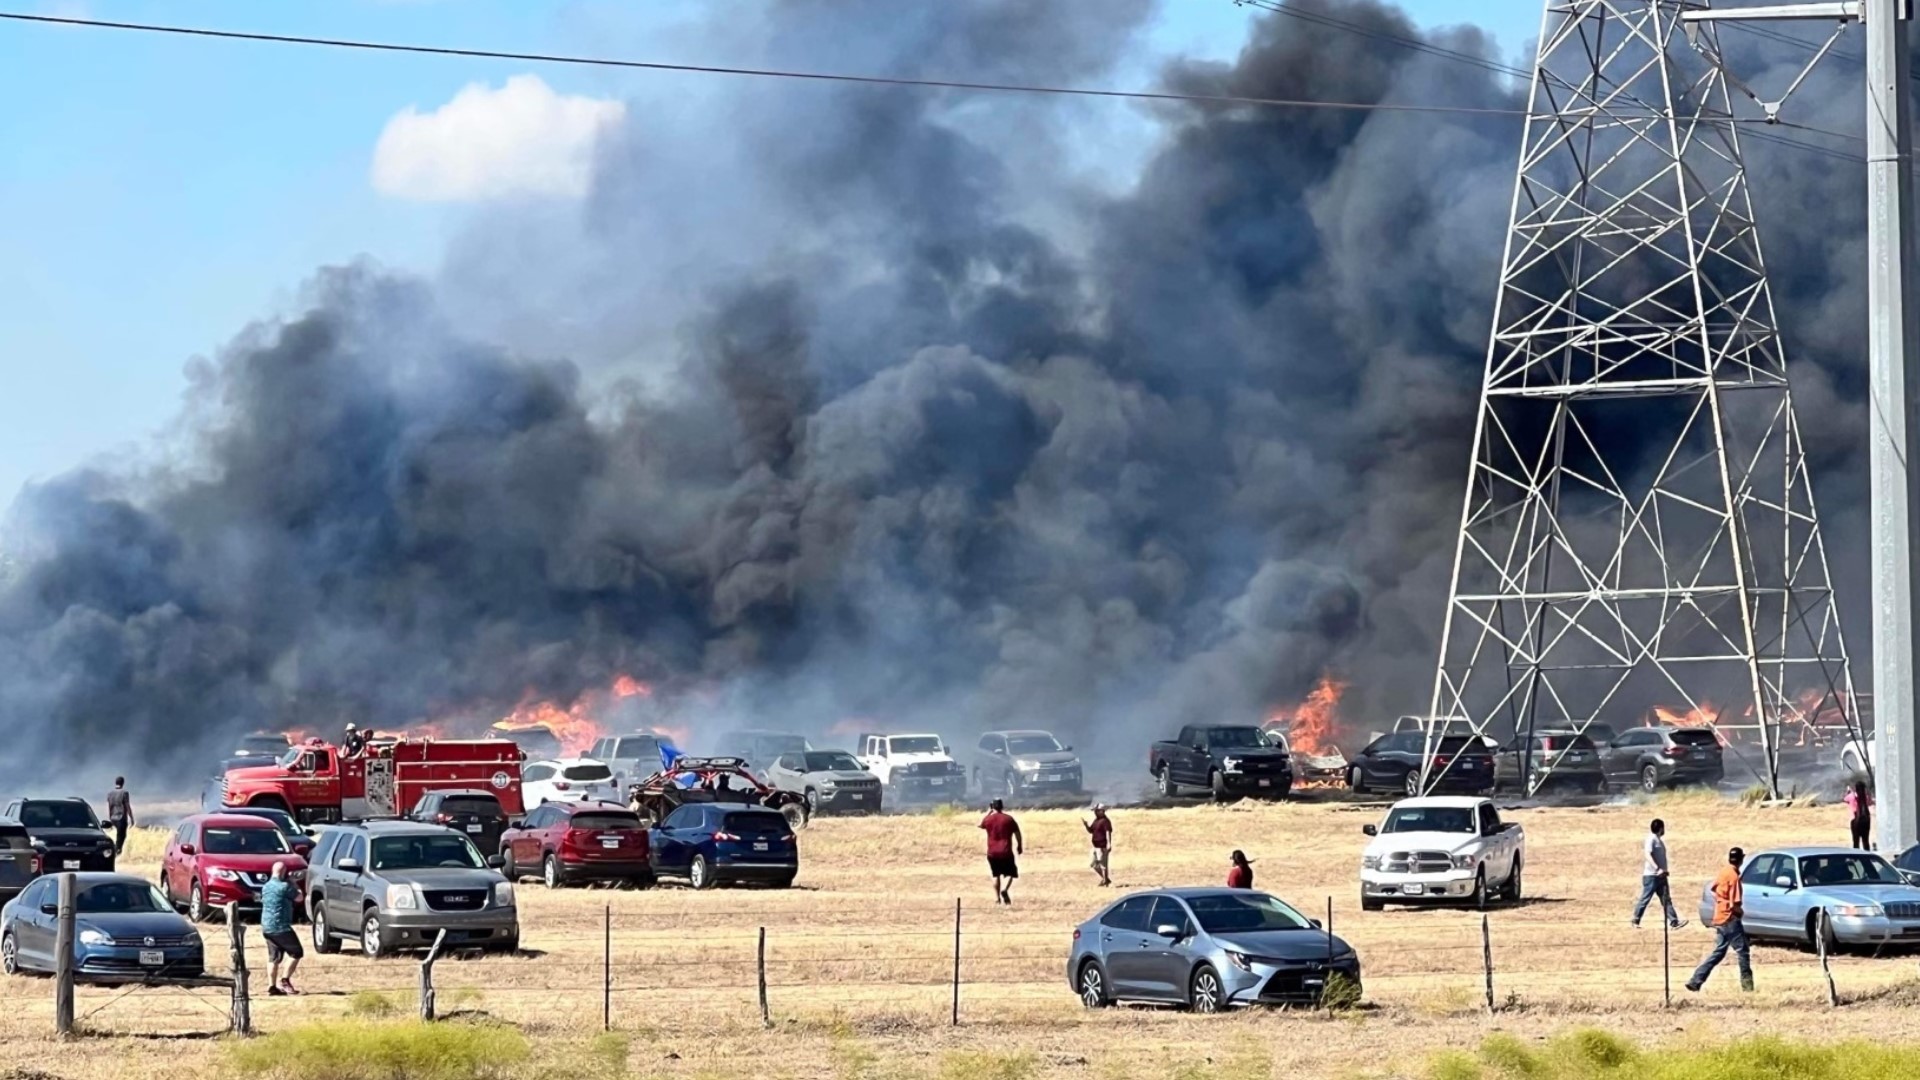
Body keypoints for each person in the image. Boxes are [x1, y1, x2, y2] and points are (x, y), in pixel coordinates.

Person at [1687, 846, 1753, 994]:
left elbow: (1714, 889)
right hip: (1730, 918)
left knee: (1719, 952)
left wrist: (1721, 903)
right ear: (1741, 860)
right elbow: (1734, 903)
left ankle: (1695, 981)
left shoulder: (1724, 872)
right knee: (1743, 951)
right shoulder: (1734, 877)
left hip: (1720, 916)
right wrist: (1739, 912)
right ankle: (1747, 987)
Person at [1631, 818, 1686, 930]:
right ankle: (1635, 919)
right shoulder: (1651, 839)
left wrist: (1664, 871)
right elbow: (1647, 854)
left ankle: (1674, 922)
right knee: (1645, 898)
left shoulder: (1658, 840)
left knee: (1666, 899)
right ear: (1661, 828)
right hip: (1652, 876)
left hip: (1661, 876)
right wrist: (1657, 869)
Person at [260, 861, 303, 996]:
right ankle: (285, 980)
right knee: (296, 952)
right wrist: (294, 883)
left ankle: (271, 986)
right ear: (284, 872)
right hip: (281, 927)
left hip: (267, 926)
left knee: (274, 957)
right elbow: (299, 898)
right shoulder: (285, 886)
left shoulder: (266, 887)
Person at [979, 799, 1023, 905]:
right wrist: (1019, 846)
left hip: (992, 852)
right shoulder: (1009, 819)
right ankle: (1004, 889)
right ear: (1002, 806)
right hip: (1006, 851)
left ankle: (997, 898)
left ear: (993, 807)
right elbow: (1017, 833)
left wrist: (989, 811)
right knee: (1010, 873)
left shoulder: (988, 819)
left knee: (995, 875)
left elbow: (980, 825)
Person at [1082, 805, 1113, 886]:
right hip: (1095, 846)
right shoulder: (1096, 820)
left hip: (1102, 846)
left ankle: (1105, 881)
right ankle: (1105, 879)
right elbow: (1091, 831)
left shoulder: (1105, 821)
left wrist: (1109, 843)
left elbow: (1108, 832)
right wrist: (1086, 825)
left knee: (1103, 865)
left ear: (1102, 811)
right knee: (1093, 864)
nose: (1095, 812)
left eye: (1097, 811)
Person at [105, 777, 133, 856]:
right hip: (121, 817)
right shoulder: (124, 793)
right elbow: (127, 806)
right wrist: (131, 817)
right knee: (122, 835)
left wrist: (110, 817)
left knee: (118, 835)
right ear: (123, 783)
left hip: (113, 817)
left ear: (115, 782)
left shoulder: (110, 793)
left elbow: (110, 806)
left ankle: (115, 850)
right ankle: (117, 851)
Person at [1846, 781, 1874, 850]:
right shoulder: (1865, 797)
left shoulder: (1851, 796)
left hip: (1856, 820)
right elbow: (1870, 802)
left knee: (1856, 841)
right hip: (1865, 819)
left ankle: (1856, 856)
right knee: (1865, 841)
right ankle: (1867, 856)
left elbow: (1845, 799)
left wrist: (1849, 792)